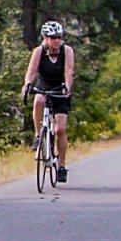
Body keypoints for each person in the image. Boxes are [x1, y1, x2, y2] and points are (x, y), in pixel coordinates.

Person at [22, 20, 74, 183]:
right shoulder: (39, 51)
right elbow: (31, 71)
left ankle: (62, 165)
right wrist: (27, 84)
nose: (57, 41)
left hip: (60, 87)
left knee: (60, 129)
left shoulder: (67, 51)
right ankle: (39, 134)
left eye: (59, 37)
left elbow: (69, 70)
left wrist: (67, 86)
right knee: (38, 101)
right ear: (45, 38)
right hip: (44, 83)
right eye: (53, 38)